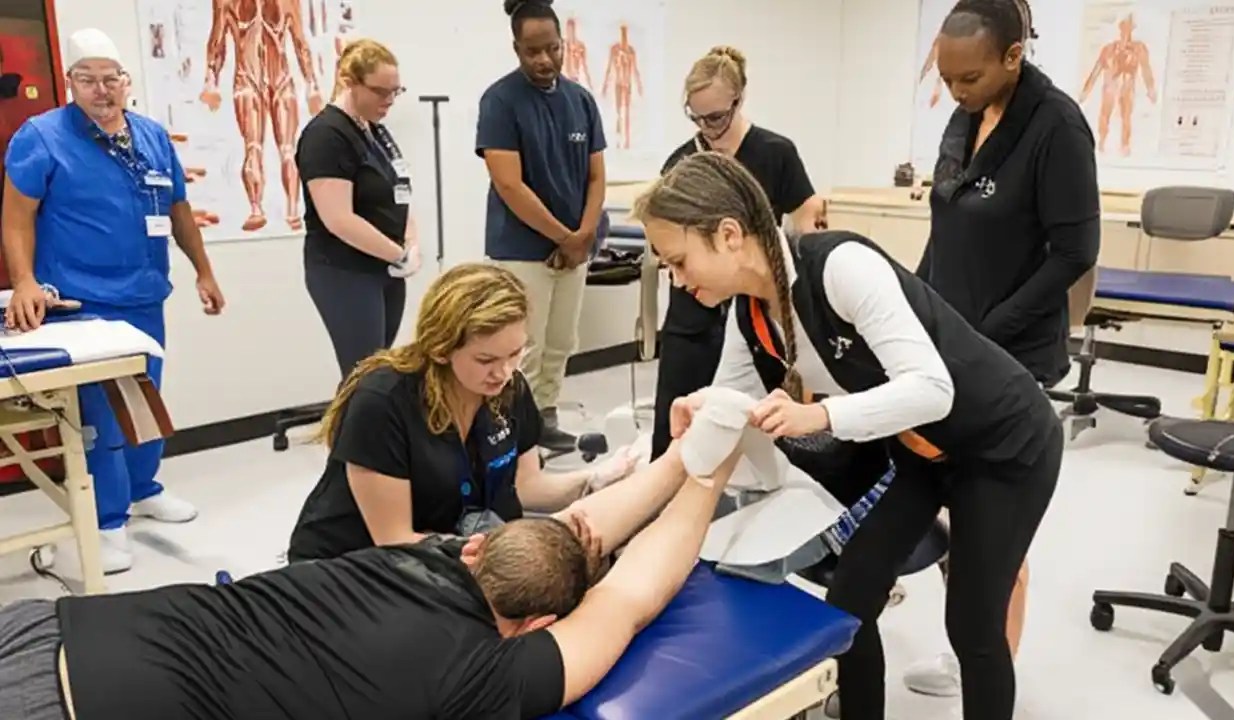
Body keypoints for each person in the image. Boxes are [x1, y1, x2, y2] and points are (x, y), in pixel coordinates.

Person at [636, 151, 1064, 720]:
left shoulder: (840, 266)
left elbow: (933, 389)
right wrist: (702, 410)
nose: (678, 281)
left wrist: (821, 417)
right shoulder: (750, 315)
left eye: (679, 262)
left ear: (729, 235)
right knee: (851, 604)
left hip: (1005, 444)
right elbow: (733, 407)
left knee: (973, 624)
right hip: (921, 453)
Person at [0, 431, 743, 720]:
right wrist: (713, 468)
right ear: (540, 627)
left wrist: (688, 448)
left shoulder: (407, 554)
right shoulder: (488, 674)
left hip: (55, 628)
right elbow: (629, 595)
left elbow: (581, 536)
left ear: (477, 547)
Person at [908, 0, 1099, 697]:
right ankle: (970, 645)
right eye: (948, 80)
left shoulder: (1056, 127)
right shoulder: (965, 118)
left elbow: (1077, 251)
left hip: (1009, 359)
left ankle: (989, 664)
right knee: (953, 508)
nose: (955, 94)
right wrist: (914, 309)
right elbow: (946, 224)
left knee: (994, 526)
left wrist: (983, 333)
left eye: (968, 79)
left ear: (1014, 57)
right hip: (949, 348)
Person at [1, 28, 226, 574]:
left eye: (111, 79)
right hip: (80, 303)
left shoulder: (149, 137)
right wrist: (25, 280)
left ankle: (145, 489)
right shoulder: (42, 136)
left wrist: (204, 270)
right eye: (88, 80)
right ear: (71, 84)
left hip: (144, 296)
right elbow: (16, 215)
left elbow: (177, 211)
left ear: (125, 81)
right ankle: (104, 522)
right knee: (100, 415)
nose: (102, 90)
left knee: (146, 401)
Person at [288, 263, 641, 563]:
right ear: (441, 349)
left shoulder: (509, 389)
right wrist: (505, 550)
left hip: (452, 546)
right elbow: (394, 541)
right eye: (485, 360)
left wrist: (591, 481)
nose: (503, 373)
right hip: (356, 563)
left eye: (515, 354)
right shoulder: (383, 401)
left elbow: (526, 486)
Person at [650, 45, 824, 460]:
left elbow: (807, 220)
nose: (708, 128)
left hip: (754, 315)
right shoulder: (681, 163)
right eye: (697, 118)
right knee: (675, 431)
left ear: (739, 99)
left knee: (759, 433)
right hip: (694, 317)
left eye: (717, 117)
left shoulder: (775, 153)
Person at [477, 0, 607, 452]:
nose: (544, 59)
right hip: (521, 249)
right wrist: (565, 237)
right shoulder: (500, 101)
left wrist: (584, 235)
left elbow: (595, 174)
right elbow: (509, 186)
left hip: (575, 247)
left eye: (552, 48)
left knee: (561, 341)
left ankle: (545, 417)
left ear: (563, 44)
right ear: (517, 49)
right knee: (521, 347)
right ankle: (516, 430)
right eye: (532, 51)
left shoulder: (581, 100)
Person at [297, 38, 420, 383]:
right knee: (363, 376)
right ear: (349, 83)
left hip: (386, 267)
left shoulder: (374, 130)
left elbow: (397, 191)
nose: (389, 101)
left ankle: (373, 437)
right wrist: (398, 253)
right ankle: (351, 437)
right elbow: (338, 219)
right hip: (344, 270)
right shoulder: (326, 135)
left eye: (397, 92)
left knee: (378, 370)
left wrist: (411, 242)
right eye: (381, 92)